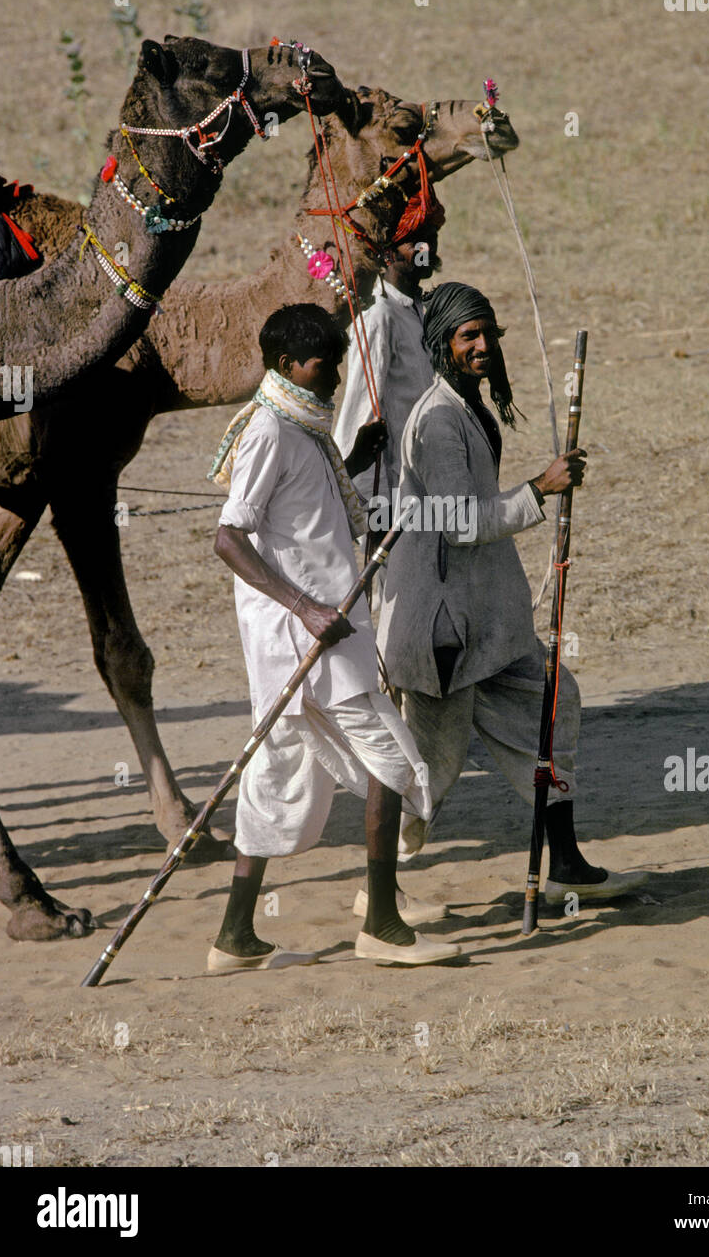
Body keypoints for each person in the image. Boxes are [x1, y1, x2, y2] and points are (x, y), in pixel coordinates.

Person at [376, 281, 647, 907]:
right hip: (443, 631)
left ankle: (569, 868)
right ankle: (379, 890)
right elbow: (460, 523)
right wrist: (539, 489)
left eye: (488, 334)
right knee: (430, 773)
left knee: (553, 707)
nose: (482, 346)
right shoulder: (440, 419)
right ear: (443, 344)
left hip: (488, 627)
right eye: (468, 335)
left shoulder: (467, 406)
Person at [206, 303, 460, 970]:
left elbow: (304, 517)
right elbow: (229, 538)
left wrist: (354, 459)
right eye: (324, 365)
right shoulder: (268, 430)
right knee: (393, 764)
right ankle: (381, 924)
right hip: (304, 639)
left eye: (340, 361)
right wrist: (307, 609)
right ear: (287, 366)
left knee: (274, 779)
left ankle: (234, 939)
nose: (337, 376)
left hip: (326, 634)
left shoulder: (306, 426)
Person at [333, 195, 445, 514]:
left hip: (424, 474)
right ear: (386, 252)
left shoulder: (423, 310)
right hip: (390, 487)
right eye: (415, 243)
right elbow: (362, 408)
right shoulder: (380, 314)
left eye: (431, 241)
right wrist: (368, 498)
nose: (426, 251)